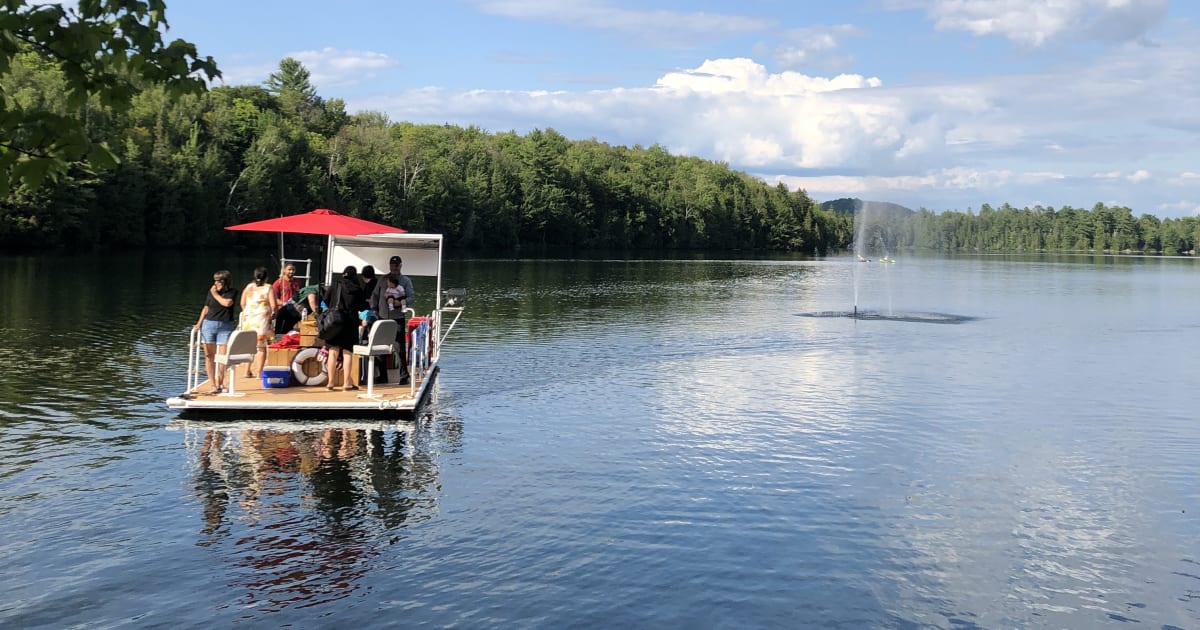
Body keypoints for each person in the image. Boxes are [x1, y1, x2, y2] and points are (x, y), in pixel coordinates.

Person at [370, 255, 415, 384]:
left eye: (397, 265)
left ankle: (403, 376)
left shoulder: (405, 281)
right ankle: (382, 375)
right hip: (382, 317)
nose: (394, 267)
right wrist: (374, 309)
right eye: (392, 265)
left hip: (397, 317)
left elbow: (412, 297)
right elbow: (375, 295)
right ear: (389, 266)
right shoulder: (383, 280)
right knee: (380, 346)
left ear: (400, 266)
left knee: (399, 347)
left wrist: (400, 303)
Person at [322, 266, 366, 391]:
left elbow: (325, 300)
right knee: (347, 353)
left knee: (332, 352)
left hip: (335, 322)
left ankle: (330, 383)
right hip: (350, 323)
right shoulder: (357, 289)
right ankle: (346, 383)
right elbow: (362, 306)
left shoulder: (335, 285)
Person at [193, 270, 237, 394]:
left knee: (222, 357)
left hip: (225, 326)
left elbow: (227, 303)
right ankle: (213, 384)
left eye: (219, 281)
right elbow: (206, 308)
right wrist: (199, 323)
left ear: (225, 281)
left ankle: (220, 382)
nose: (216, 283)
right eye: (215, 281)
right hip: (209, 325)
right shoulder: (211, 292)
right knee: (209, 356)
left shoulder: (232, 292)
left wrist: (215, 294)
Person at [239, 266, 278, 378]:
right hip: (262, 319)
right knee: (261, 347)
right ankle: (259, 373)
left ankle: (247, 371)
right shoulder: (268, 288)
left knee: (249, 346)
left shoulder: (249, 287)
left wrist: (249, 313)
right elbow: (274, 305)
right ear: (266, 278)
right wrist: (273, 315)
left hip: (249, 319)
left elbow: (242, 303)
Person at [272, 263, 303, 334]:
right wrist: (284, 303)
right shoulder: (278, 282)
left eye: (293, 270)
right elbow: (274, 299)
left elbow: (300, 296)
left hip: (294, 309)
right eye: (289, 269)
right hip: (282, 309)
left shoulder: (297, 282)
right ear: (284, 270)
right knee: (279, 330)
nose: (291, 272)